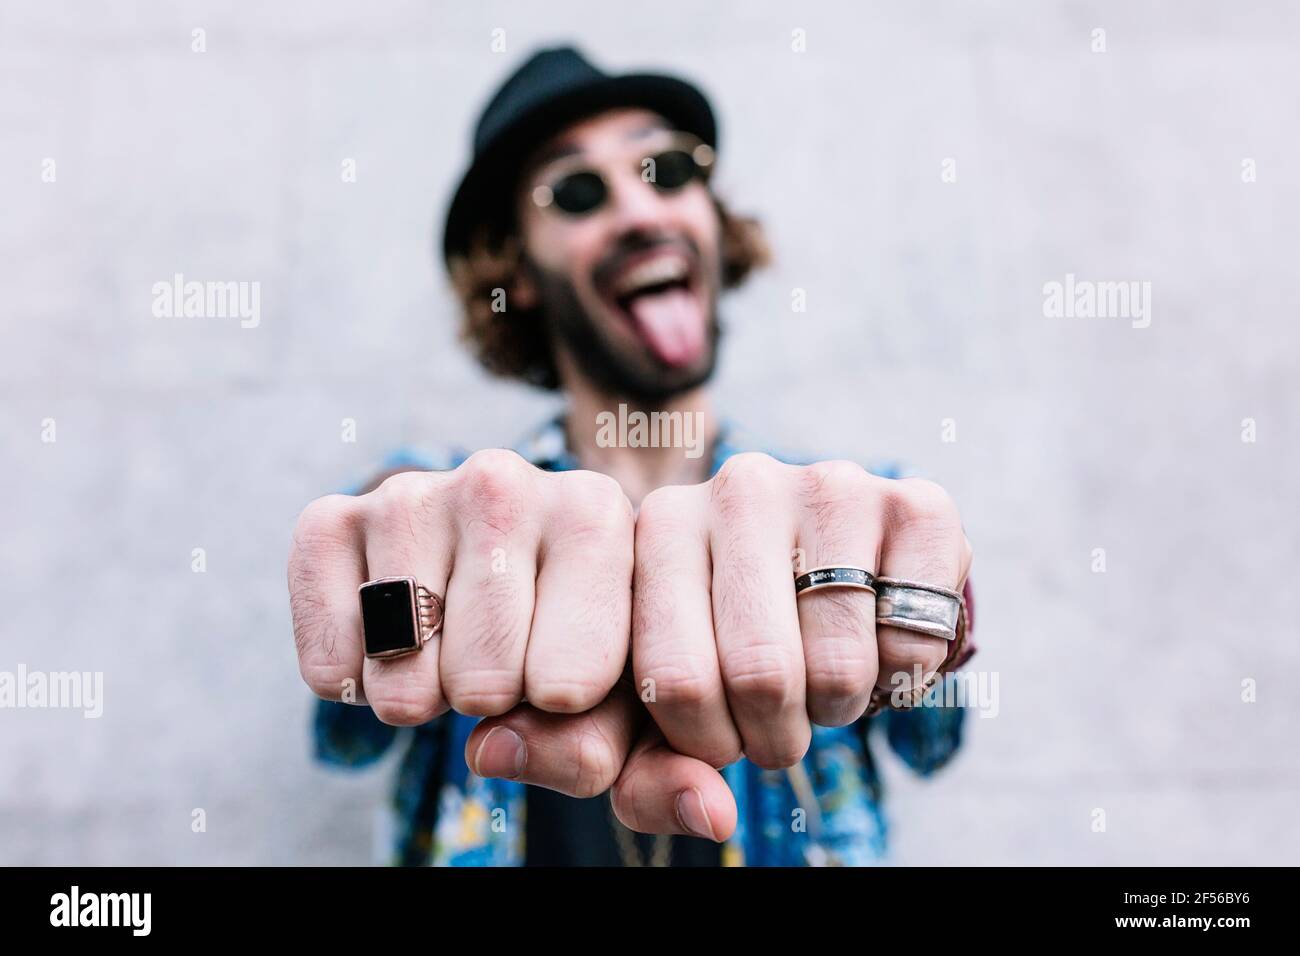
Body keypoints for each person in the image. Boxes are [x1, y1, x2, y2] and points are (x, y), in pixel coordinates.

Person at [288, 46, 976, 867]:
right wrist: (392, 548)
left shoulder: (843, 511)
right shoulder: (454, 506)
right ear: (518, 270)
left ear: (714, 224)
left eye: (669, 169)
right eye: (577, 191)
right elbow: (344, 740)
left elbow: (932, 744)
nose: (640, 212)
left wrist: (927, 601)